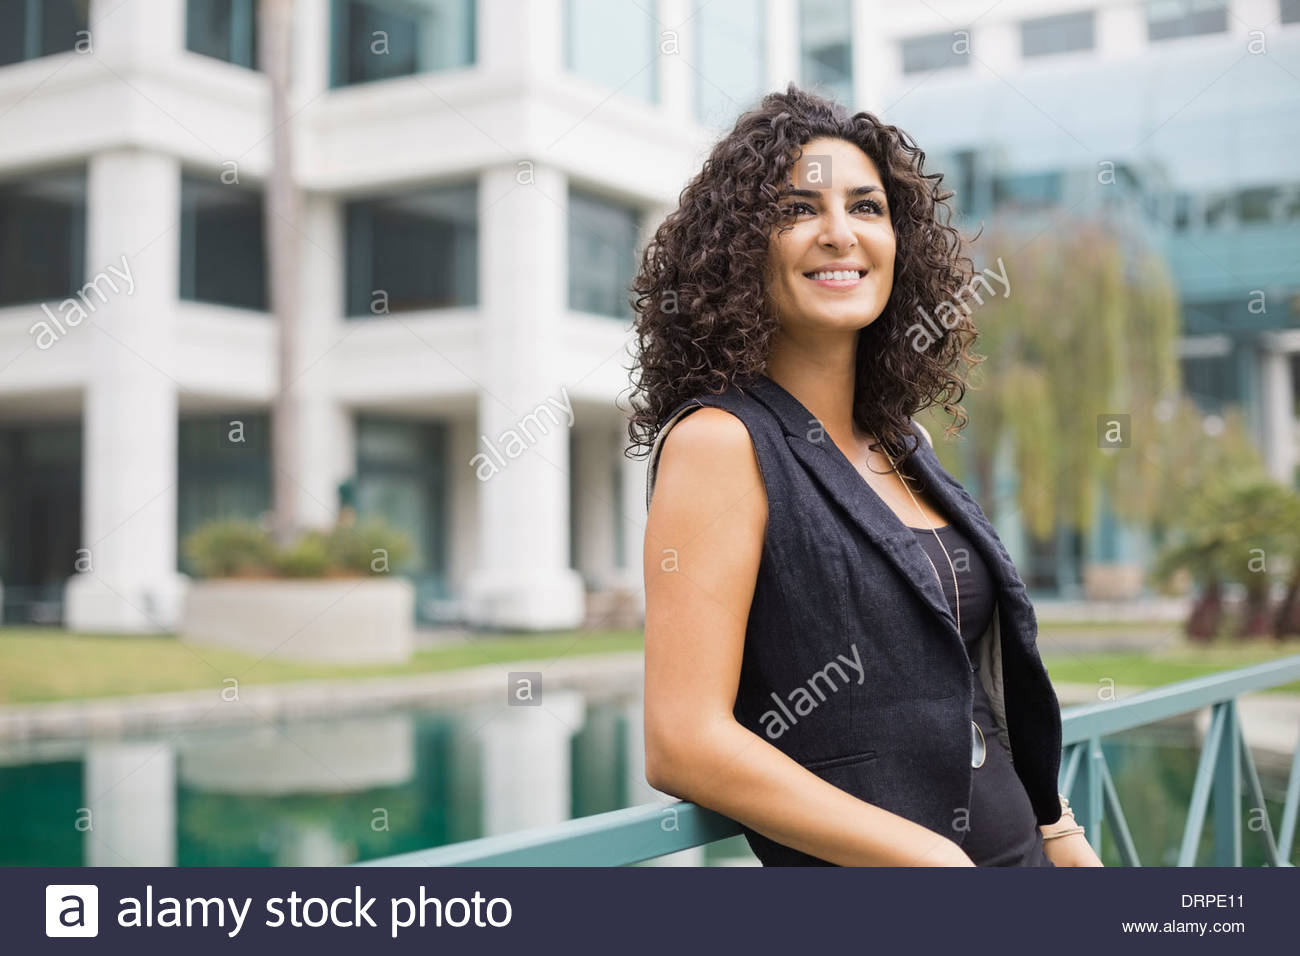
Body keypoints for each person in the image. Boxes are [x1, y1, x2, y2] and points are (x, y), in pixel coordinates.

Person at [630, 84, 1102, 867]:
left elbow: (968, 681)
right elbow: (682, 743)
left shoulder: (902, 443)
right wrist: (931, 862)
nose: (839, 234)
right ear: (739, 248)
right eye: (797, 209)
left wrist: (1059, 830)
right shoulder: (721, 443)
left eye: (867, 207)